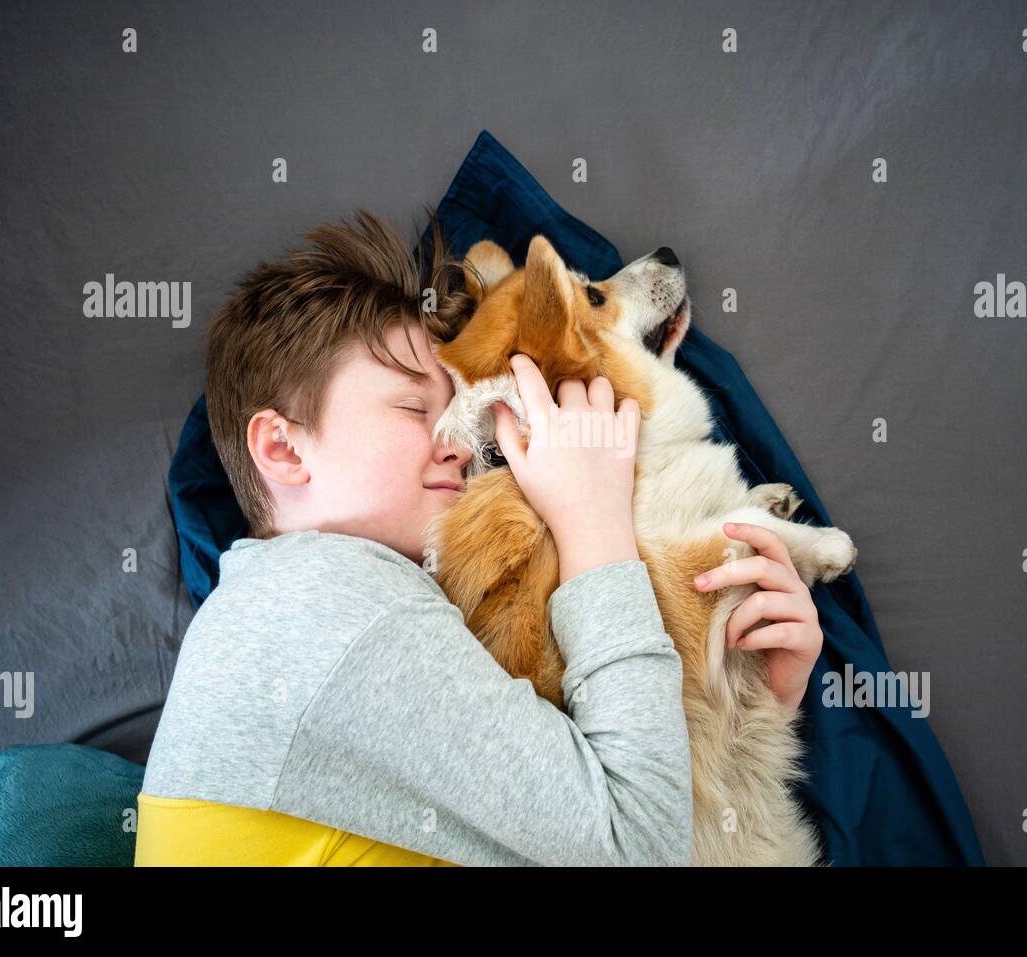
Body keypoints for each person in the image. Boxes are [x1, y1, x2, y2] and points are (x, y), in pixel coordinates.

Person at [134, 208, 822, 867]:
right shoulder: (319, 606)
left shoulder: (298, 612)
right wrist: (593, 519)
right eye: (412, 406)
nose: (459, 446)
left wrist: (751, 694)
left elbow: (620, 804)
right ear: (283, 450)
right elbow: (638, 843)